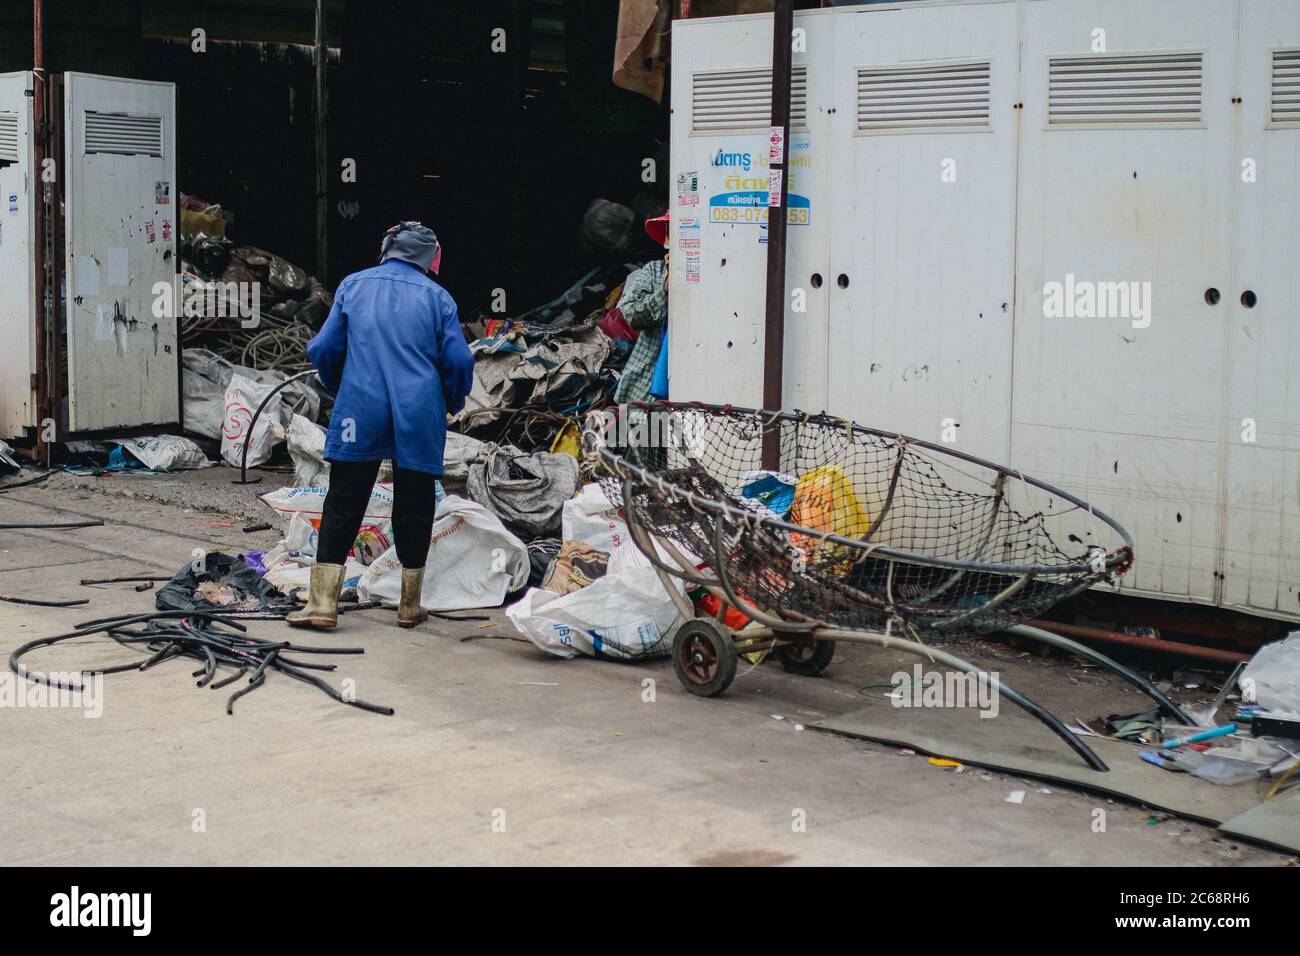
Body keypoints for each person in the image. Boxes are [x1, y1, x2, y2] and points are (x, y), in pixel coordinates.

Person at [288, 221, 474, 630]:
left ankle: (322, 604)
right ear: (430, 257)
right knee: (416, 500)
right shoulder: (439, 298)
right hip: (419, 414)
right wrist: (452, 399)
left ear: (388, 248)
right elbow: (460, 362)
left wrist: (342, 384)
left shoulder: (353, 286)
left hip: (360, 409)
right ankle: (409, 606)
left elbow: (322, 349)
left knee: (344, 498)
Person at [612, 213, 669, 405]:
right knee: (642, 433)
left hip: (690, 390)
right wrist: (665, 292)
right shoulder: (655, 271)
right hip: (643, 387)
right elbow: (631, 315)